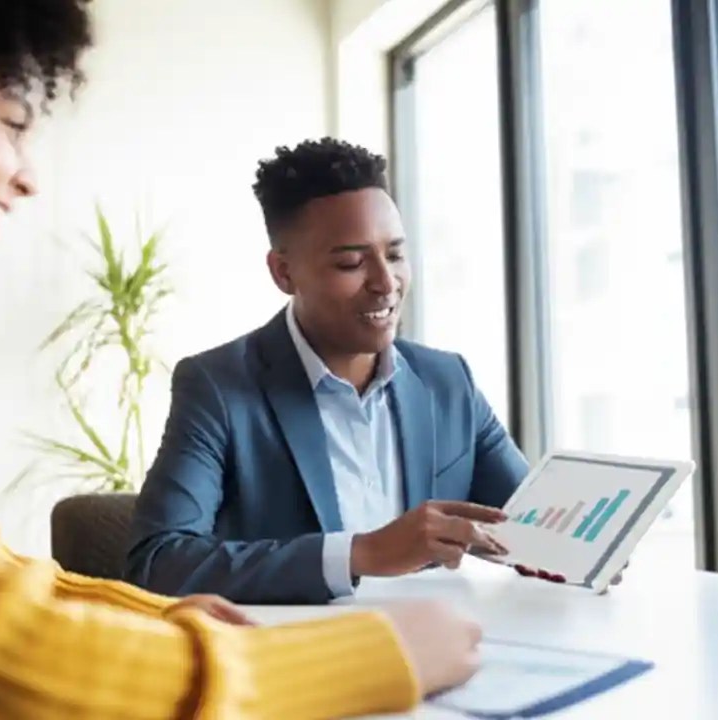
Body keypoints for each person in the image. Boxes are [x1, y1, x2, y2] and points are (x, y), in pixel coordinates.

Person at [0, 3, 484, 717]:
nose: (26, 175)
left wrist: (158, 619)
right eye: (12, 126)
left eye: (394, 254)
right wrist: (375, 655)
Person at [126, 138, 530, 603]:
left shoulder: (448, 380)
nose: (385, 283)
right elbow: (157, 563)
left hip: (443, 652)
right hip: (305, 660)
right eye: (350, 263)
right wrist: (360, 554)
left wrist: (591, 546)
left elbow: (530, 527)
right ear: (284, 273)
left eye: (395, 255)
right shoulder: (218, 388)